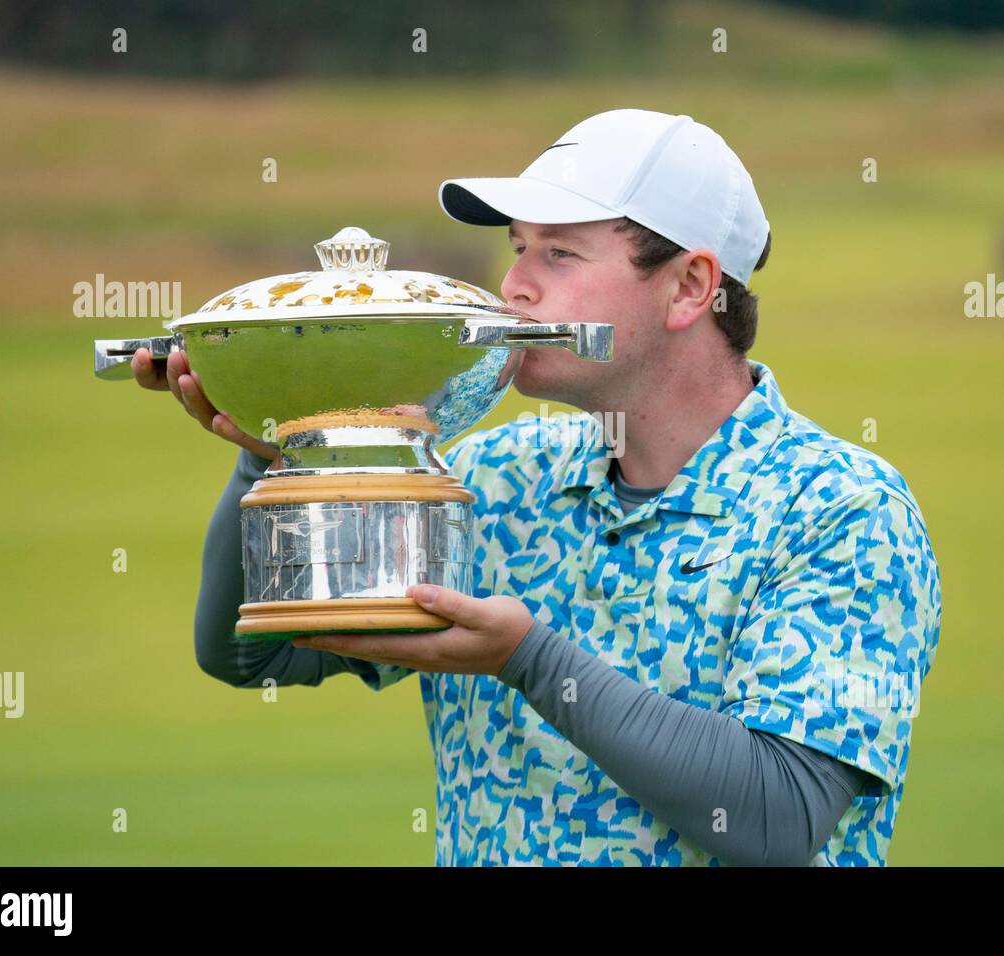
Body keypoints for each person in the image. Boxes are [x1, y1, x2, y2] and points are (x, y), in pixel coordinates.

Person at [133, 108, 942, 866]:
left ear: (691, 288)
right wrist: (284, 449)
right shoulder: (496, 477)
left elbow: (779, 816)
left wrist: (531, 661)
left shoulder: (842, 509)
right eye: (518, 247)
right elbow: (253, 656)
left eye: (559, 253)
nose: (513, 286)